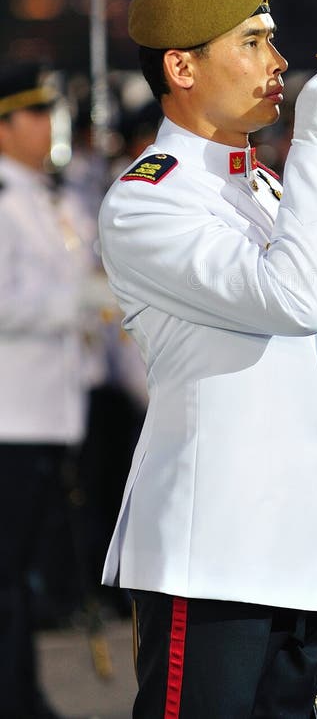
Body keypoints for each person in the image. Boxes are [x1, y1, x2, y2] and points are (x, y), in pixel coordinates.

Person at [98, 0, 317, 717]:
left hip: (292, 544)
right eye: (251, 41)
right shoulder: (148, 203)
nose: (278, 62)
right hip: (211, 551)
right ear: (181, 66)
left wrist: (309, 161)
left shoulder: (259, 185)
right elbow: (295, 299)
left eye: (272, 40)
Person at [0, 62, 100, 718]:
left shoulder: (49, 198)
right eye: (34, 114)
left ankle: (21, 691)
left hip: (50, 410)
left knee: (19, 574)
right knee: (5, 577)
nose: (48, 126)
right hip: (10, 415)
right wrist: (79, 301)